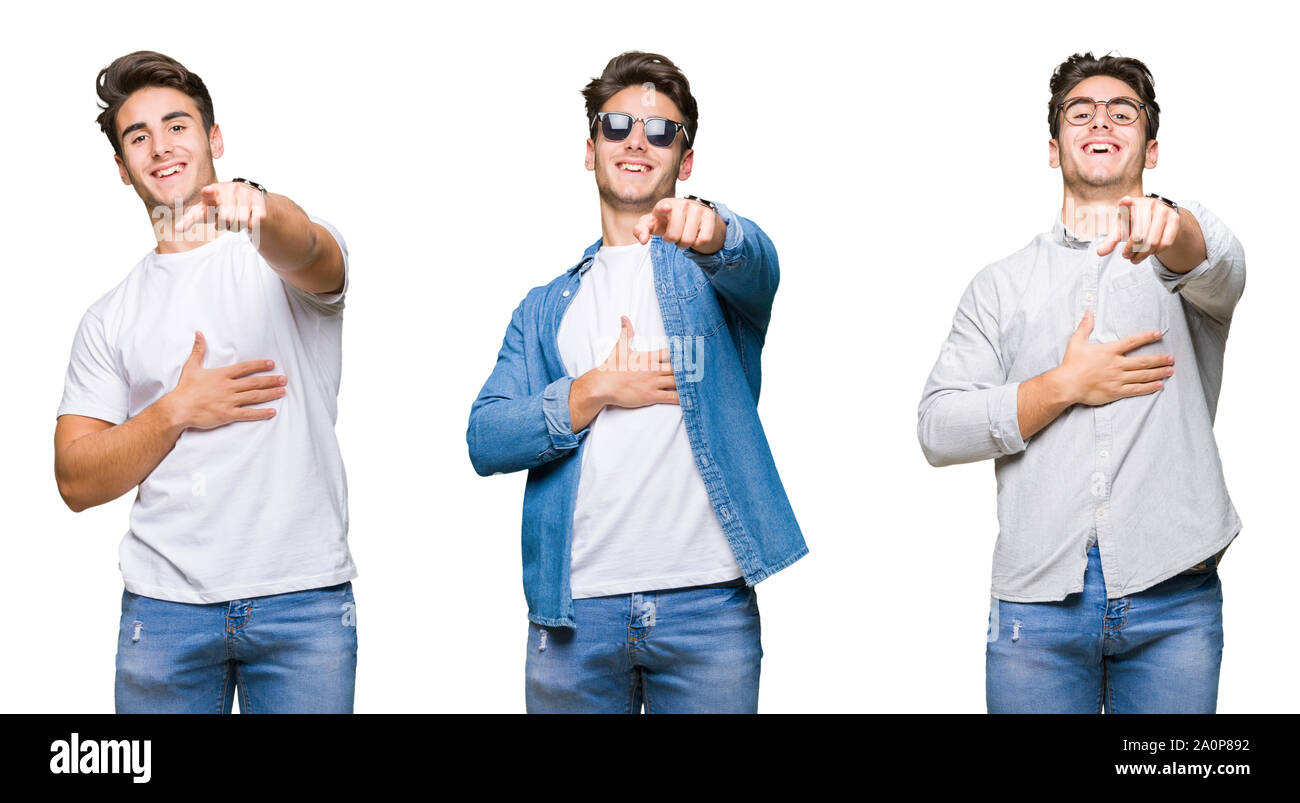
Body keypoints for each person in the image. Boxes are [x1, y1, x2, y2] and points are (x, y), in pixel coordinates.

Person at [467, 51, 806, 713]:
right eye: (617, 123)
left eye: (661, 131)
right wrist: (591, 390)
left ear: (685, 159)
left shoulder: (716, 275)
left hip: (708, 610)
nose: (636, 141)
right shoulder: (544, 308)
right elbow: (485, 437)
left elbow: (756, 260)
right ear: (589, 146)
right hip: (573, 616)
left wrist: (713, 230)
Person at [918, 52, 1245, 714]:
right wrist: (1063, 384)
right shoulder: (1000, 285)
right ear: (1052, 146)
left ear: (1151, 146)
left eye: (1122, 111)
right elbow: (937, 428)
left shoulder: (1184, 257)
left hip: (1174, 594)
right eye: (1081, 110)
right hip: (1034, 611)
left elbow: (1220, 262)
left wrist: (1169, 221)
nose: (1101, 120)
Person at [54, 51, 357, 713]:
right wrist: (175, 410)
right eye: (138, 137)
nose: (160, 147)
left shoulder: (276, 261)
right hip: (163, 614)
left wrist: (261, 209)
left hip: (300, 604)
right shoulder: (110, 316)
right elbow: (75, 480)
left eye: (178, 126)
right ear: (121, 167)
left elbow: (309, 249)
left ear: (214, 139)